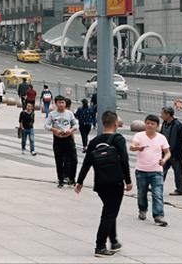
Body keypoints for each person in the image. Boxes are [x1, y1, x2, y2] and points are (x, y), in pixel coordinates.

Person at [75, 110, 132, 258]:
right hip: (115, 182)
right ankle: (100, 246)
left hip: (100, 183)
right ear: (115, 124)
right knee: (109, 213)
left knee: (109, 210)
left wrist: (79, 181)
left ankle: (113, 241)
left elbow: (87, 162)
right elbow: (125, 161)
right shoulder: (118, 139)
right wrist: (128, 181)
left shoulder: (94, 141)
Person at [130, 114, 170, 226]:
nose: (150, 125)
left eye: (152, 124)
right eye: (148, 123)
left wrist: (164, 160)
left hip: (156, 170)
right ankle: (142, 209)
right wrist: (138, 148)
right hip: (141, 170)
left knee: (157, 194)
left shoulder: (161, 138)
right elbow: (132, 146)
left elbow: (168, 152)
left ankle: (158, 216)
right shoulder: (139, 135)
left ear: (157, 126)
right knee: (142, 193)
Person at [45, 95, 78, 187]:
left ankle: (72, 179)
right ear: (56, 104)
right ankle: (61, 179)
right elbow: (46, 125)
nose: (61, 104)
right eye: (59, 102)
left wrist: (71, 130)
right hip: (58, 140)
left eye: (63, 102)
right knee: (59, 161)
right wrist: (54, 130)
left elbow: (76, 124)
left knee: (74, 160)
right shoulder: (52, 114)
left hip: (68, 139)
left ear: (65, 103)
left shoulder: (69, 113)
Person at [160, 107, 182, 196]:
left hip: (175, 154)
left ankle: (179, 189)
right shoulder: (164, 124)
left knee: (178, 172)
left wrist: (175, 153)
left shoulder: (179, 126)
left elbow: (181, 142)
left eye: (162, 114)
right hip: (165, 152)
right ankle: (157, 186)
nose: (161, 115)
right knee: (161, 170)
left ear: (168, 115)